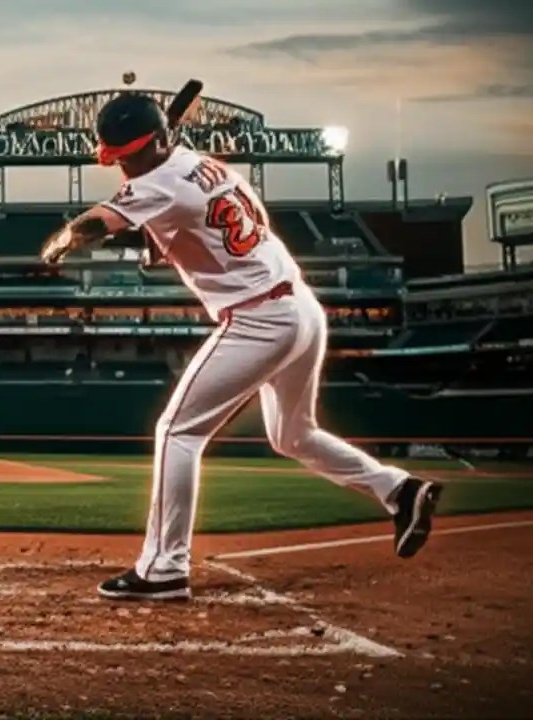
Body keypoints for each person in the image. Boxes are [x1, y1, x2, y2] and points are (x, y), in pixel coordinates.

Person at [42, 92, 442, 601]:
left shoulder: (157, 182)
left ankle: (164, 568)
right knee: (294, 436)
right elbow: (179, 227)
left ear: (161, 142)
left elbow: (96, 222)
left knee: (177, 430)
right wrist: (152, 242)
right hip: (300, 310)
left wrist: (64, 239)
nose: (124, 163)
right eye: (118, 156)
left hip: (258, 318)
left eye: (132, 154)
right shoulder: (207, 168)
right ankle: (399, 490)